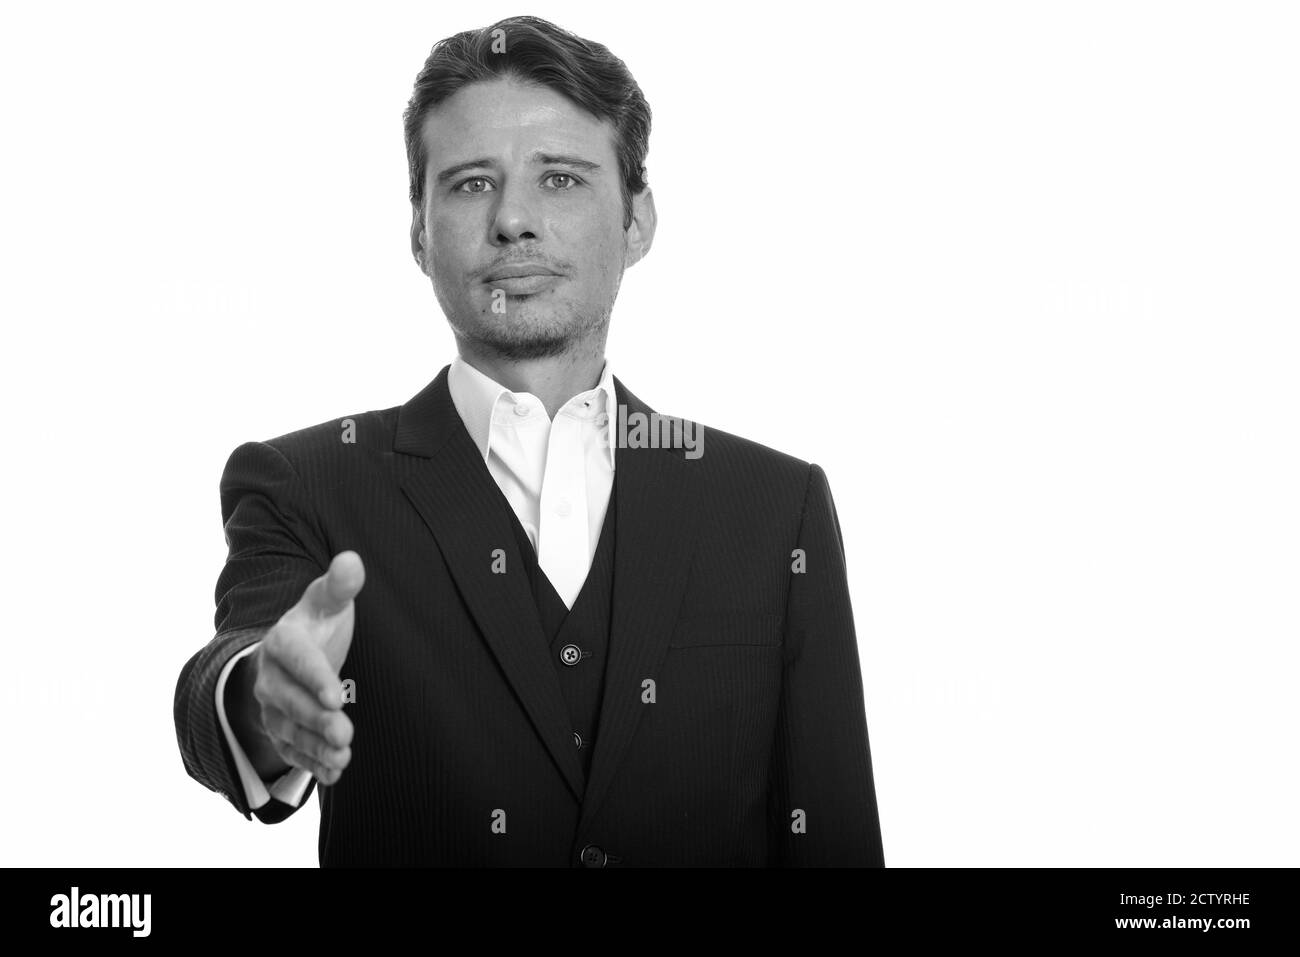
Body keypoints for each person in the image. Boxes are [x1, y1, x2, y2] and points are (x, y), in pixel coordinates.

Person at [173, 14, 885, 867]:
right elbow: (231, 672)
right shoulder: (303, 482)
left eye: (561, 179)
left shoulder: (776, 509)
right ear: (417, 229)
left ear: (638, 222)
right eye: (472, 184)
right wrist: (261, 698)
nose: (514, 219)